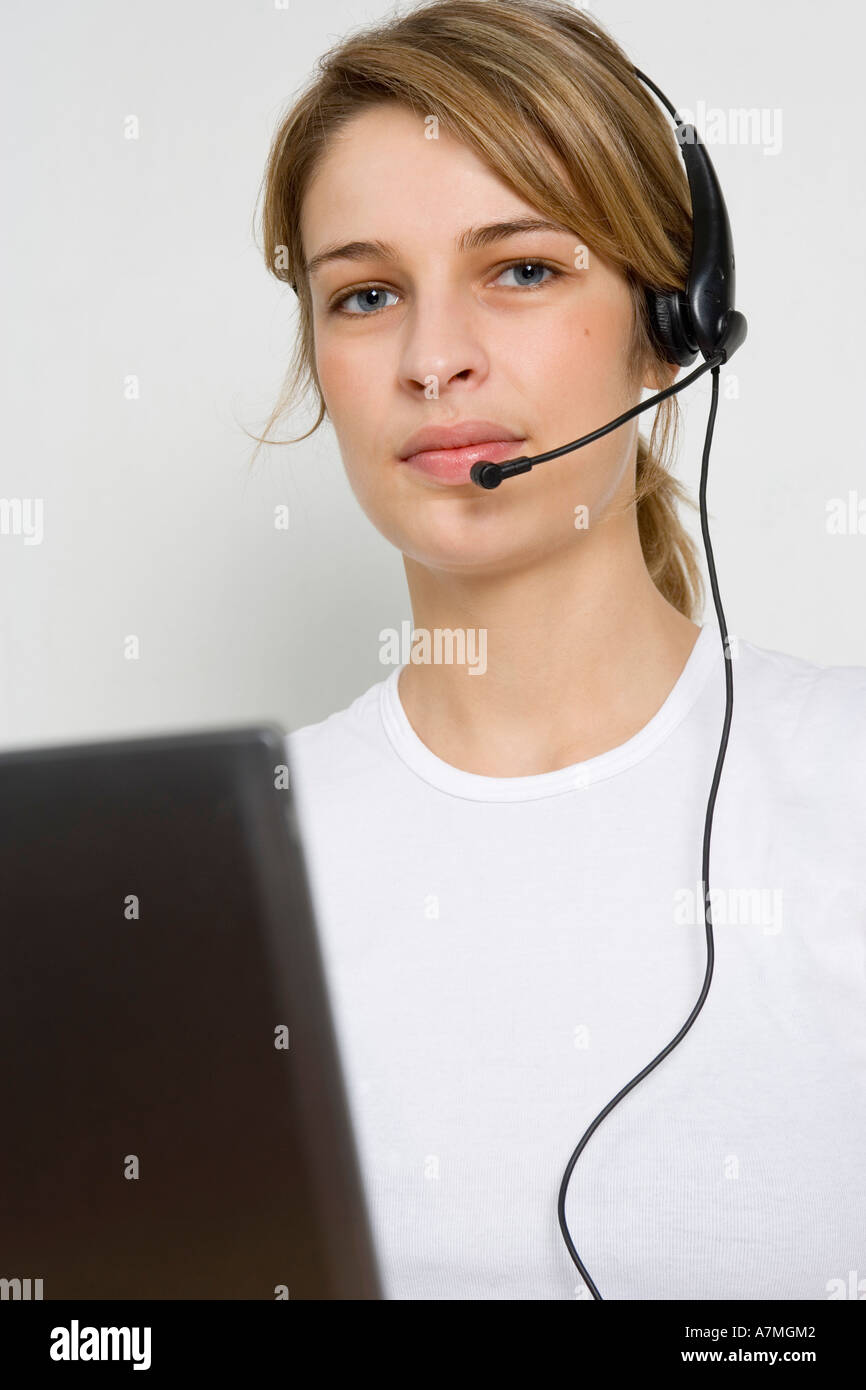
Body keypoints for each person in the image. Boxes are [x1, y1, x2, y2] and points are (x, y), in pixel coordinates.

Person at [253, 0, 866, 1300]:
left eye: (520, 268)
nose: (431, 360)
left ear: (672, 319)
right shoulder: (219, 868)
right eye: (364, 294)